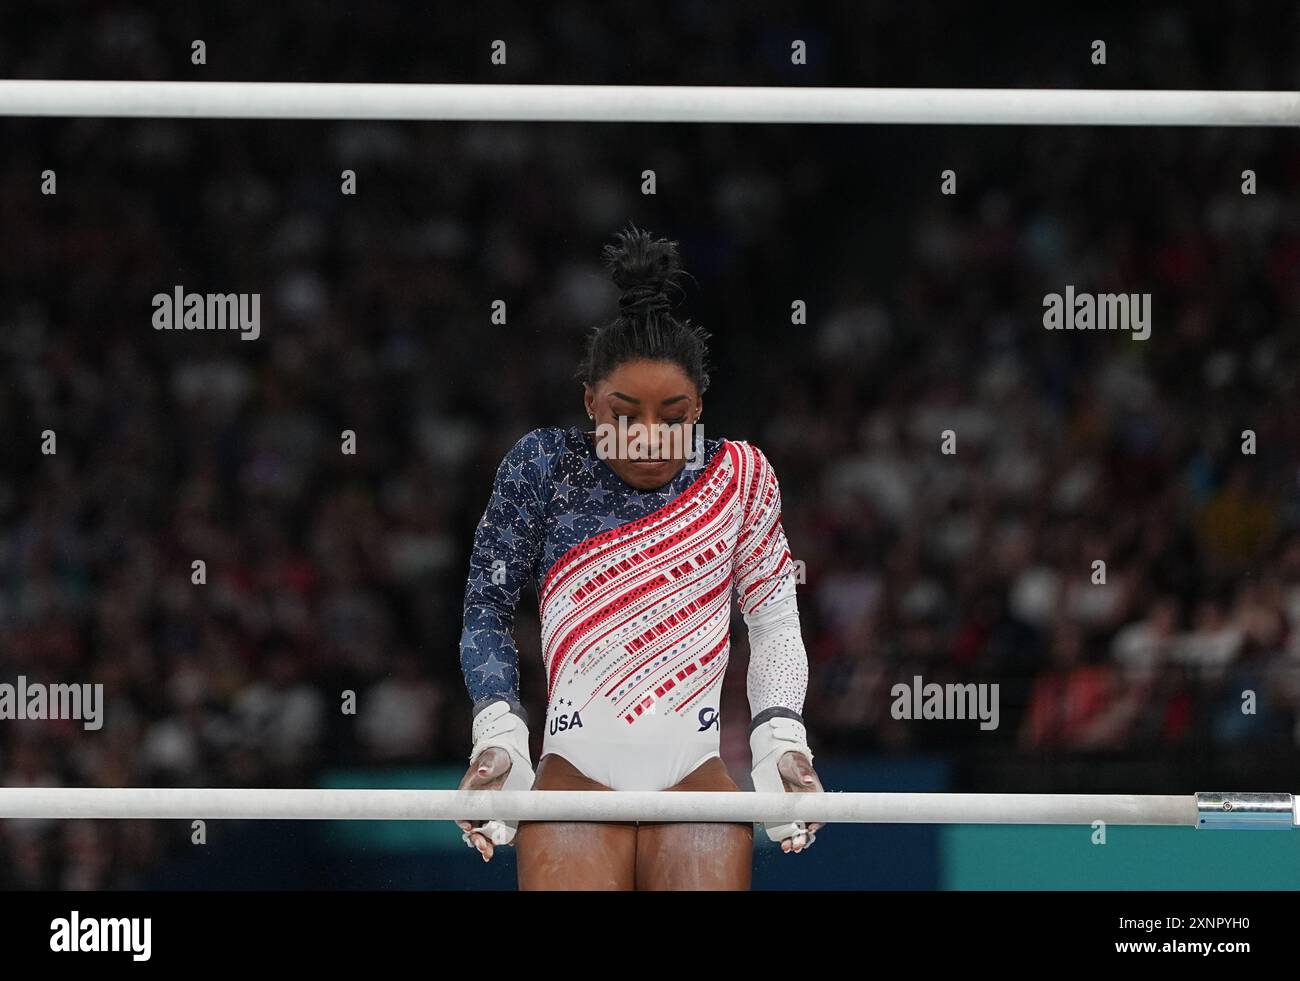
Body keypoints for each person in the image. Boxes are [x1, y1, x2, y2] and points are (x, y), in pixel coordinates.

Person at [455, 225, 822, 889]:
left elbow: (773, 624)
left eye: (674, 415)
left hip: (695, 780)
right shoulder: (545, 466)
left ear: (700, 408)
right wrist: (499, 732)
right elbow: (486, 605)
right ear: (591, 403)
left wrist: (780, 738)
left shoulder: (738, 475)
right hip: (573, 779)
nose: (650, 437)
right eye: (625, 414)